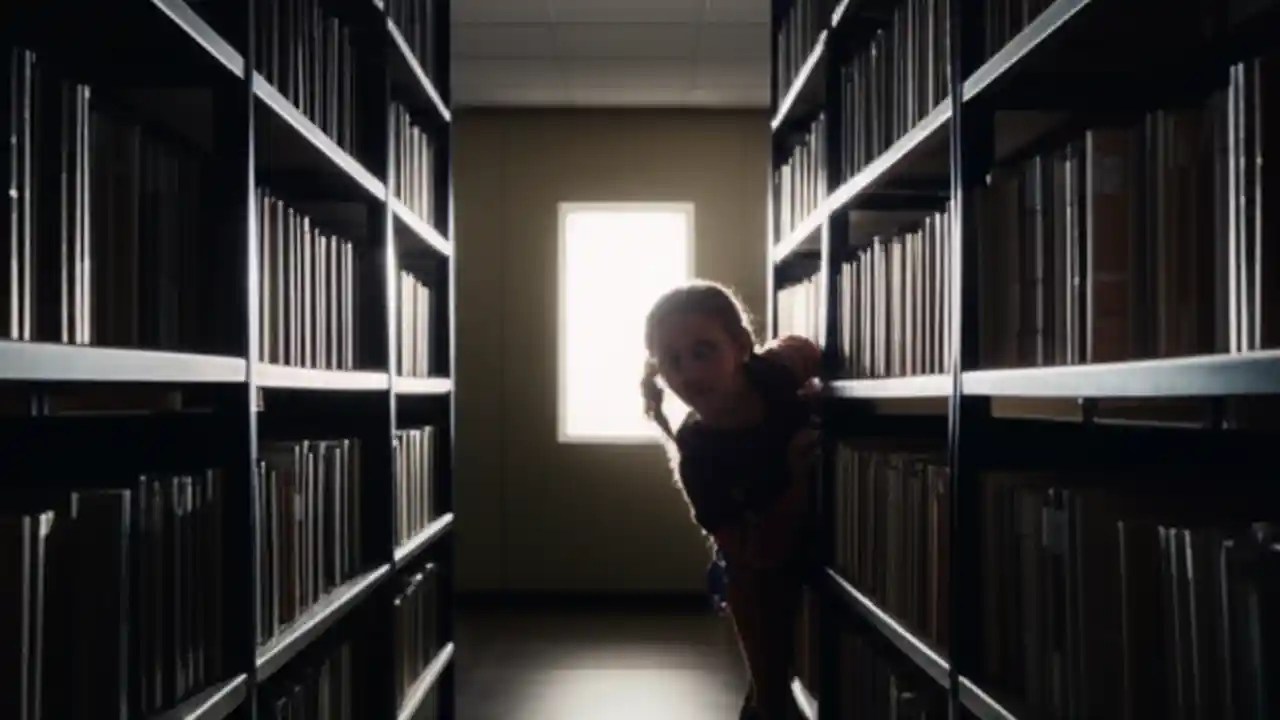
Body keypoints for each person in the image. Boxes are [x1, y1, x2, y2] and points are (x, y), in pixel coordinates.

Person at [641, 280, 822, 720]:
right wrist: (796, 479)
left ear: (741, 347)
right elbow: (750, 550)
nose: (688, 374)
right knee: (750, 586)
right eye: (673, 361)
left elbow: (804, 348)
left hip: (819, 530)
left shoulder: (772, 374)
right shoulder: (697, 453)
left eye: (703, 351)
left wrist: (825, 390)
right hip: (754, 550)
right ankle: (766, 700)